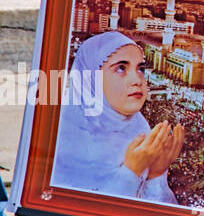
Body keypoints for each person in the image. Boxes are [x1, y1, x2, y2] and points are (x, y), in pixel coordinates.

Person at [51, 30, 184, 204]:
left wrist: (155, 175)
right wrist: (131, 172)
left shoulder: (140, 131)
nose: (137, 79)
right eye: (121, 68)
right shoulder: (61, 135)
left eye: (140, 69)